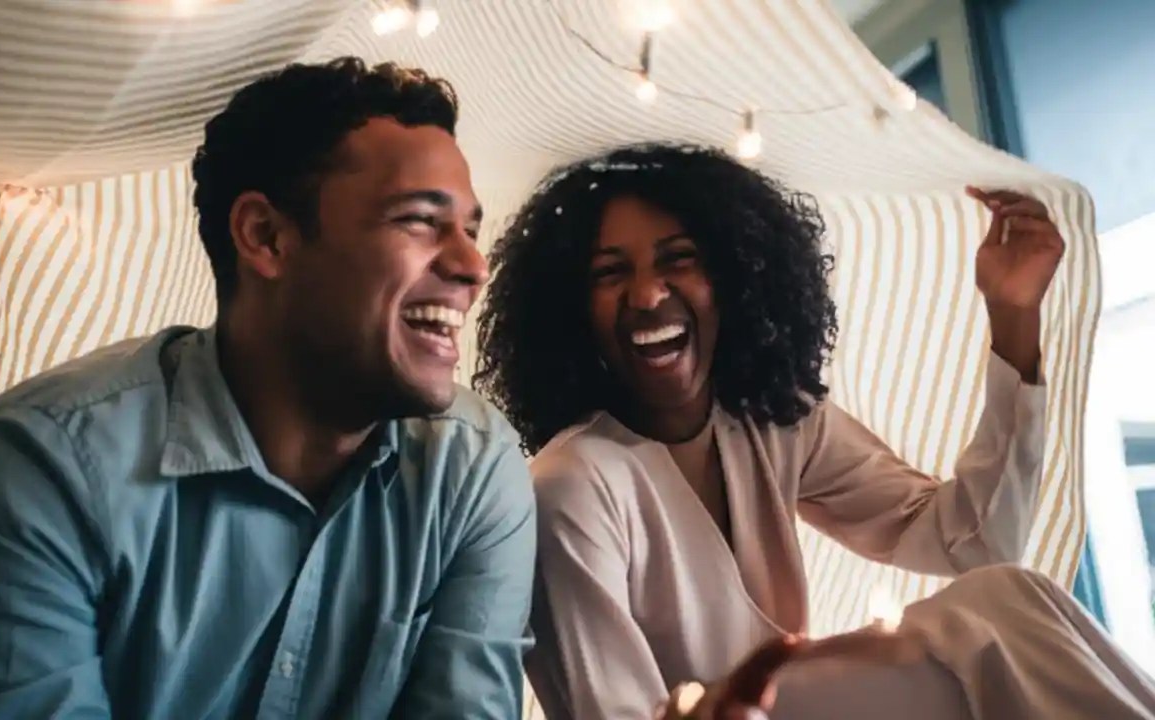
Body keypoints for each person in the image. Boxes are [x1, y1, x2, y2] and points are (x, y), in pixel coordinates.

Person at [0, 58, 536, 719]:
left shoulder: (474, 471)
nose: (472, 266)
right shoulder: (40, 465)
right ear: (265, 237)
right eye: (418, 220)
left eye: (469, 229)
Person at [474, 142, 1155, 718]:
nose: (648, 294)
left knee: (1007, 596)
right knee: (1000, 607)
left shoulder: (772, 422)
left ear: (735, 276)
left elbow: (975, 541)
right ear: (570, 310)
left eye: (678, 258)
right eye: (609, 273)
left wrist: (1013, 317)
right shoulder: (571, 486)